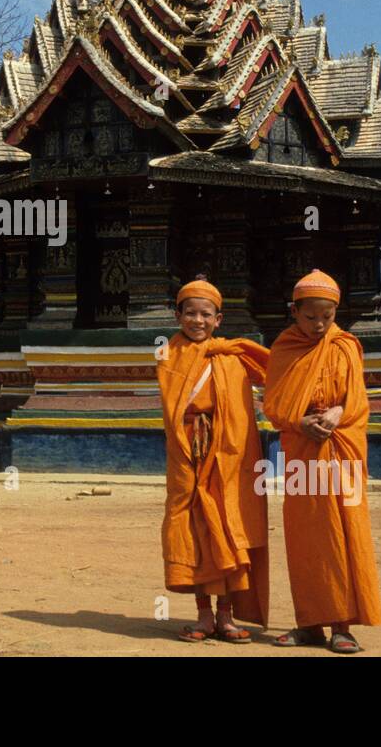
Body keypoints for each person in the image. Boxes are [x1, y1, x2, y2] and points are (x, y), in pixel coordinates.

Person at [264, 268, 381, 653]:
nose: (318, 324)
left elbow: (358, 400)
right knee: (306, 538)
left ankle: (342, 626)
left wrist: (337, 413)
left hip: (341, 446)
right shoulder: (284, 348)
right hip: (303, 452)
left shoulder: (346, 345)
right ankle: (310, 624)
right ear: (294, 312)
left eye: (327, 316)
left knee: (344, 533)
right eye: (310, 316)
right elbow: (274, 405)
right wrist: (300, 422)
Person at [157, 275, 271, 643]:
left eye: (206, 314)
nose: (198, 321)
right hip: (187, 453)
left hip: (227, 458)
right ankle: (203, 615)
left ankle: (226, 614)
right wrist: (189, 444)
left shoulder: (231, 356)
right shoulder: (167, 355)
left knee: (226, 524)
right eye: (190, 313)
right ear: (178, 316)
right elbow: (172, 408)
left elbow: (276, 381)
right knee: (194, 529)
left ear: (218, 319)